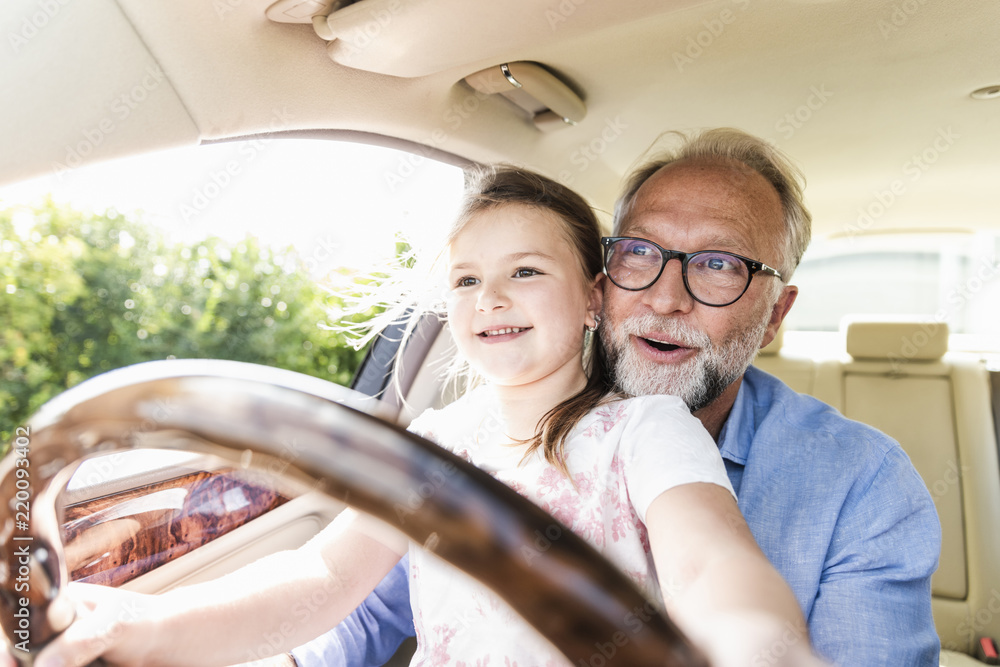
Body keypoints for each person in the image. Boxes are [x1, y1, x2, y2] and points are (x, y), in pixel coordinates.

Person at [22, 165, 823, 667]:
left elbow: (712, 565)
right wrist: (137, 622)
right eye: (467, 280)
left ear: (591, 299)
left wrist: (760, 645)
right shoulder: (436, 444)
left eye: (525, 271)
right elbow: (322, 579)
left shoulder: (647, 432)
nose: (492, 298)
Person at [291, 129, 942, 667]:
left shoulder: (864, 481)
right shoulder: (489, 436)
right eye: (640, 253)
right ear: (598, 287)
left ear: (775, 314)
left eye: (719, 264)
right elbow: (362, 608)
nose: (666, 298)